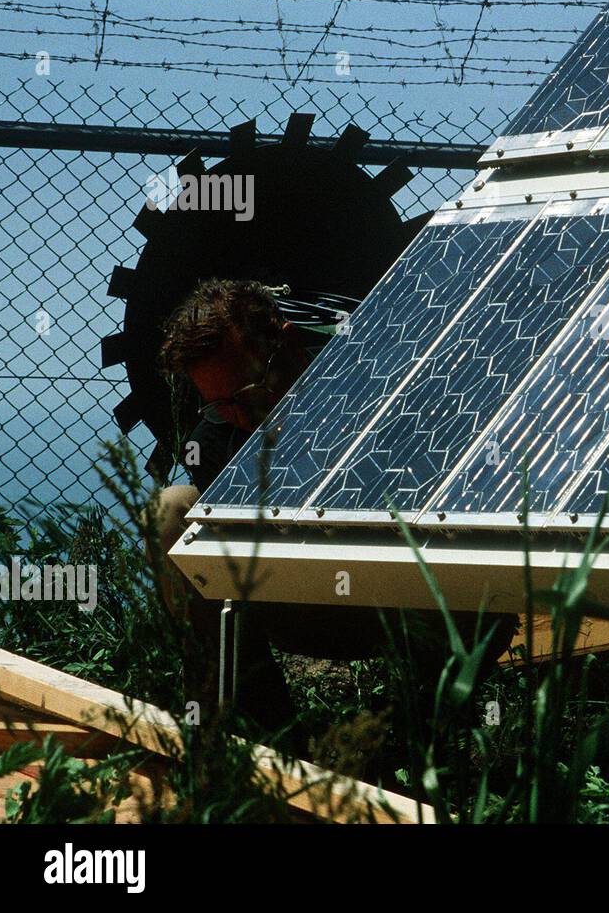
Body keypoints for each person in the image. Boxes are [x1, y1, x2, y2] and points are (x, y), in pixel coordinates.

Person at [149, 278, 513, 736]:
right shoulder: (218, 439)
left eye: (248, 394)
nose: (238, 415)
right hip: (304, 604)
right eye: (220, 405)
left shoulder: (389, 381)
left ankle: (413, 748)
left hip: (413, 601)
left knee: (476, 589)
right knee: (171, 509)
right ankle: (261, 739)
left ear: (291, 345)